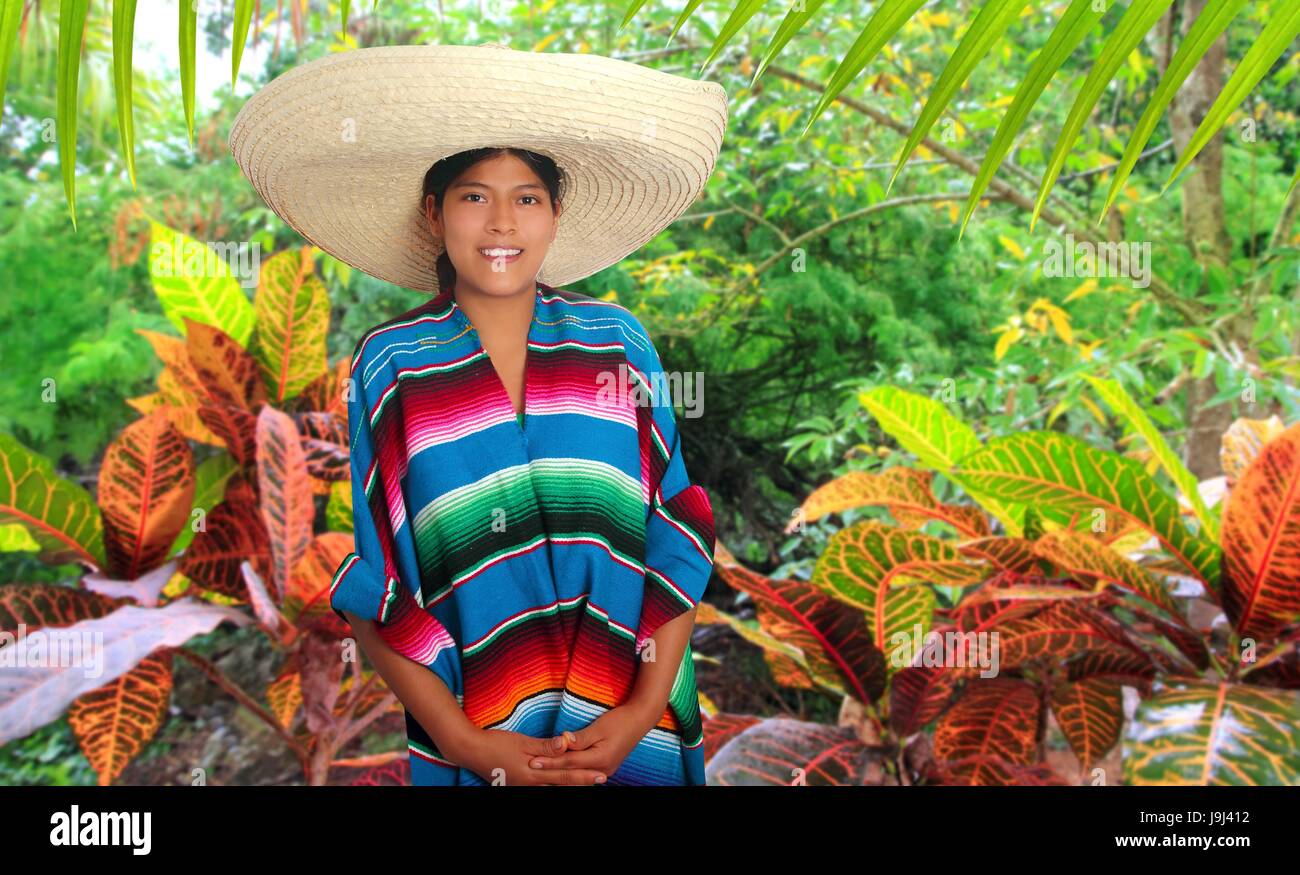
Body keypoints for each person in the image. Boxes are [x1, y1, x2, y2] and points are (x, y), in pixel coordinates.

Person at [228, 43, 728, 785]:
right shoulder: (391, 366)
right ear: (434, 213)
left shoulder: (617, 345)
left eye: (527, 196)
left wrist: (636, 713)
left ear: (556, 215)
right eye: (473, 195)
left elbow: (676, 535)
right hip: (485, 735)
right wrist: (467, 744)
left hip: (633, 730)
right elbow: (376, 587)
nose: (502, 222)